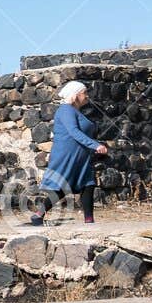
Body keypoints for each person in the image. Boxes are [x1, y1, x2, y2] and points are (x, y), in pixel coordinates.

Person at [30, 80, 108, 225]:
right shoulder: (65, 110)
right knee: (62, 186)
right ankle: (39, 214)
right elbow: (73, 132)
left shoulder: (76, 111)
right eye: (84, 93)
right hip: (66, 155)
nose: (87, 96)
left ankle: (89, 220)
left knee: (88, 184)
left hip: (81, 155)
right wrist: (94, 145)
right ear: (75, 95)